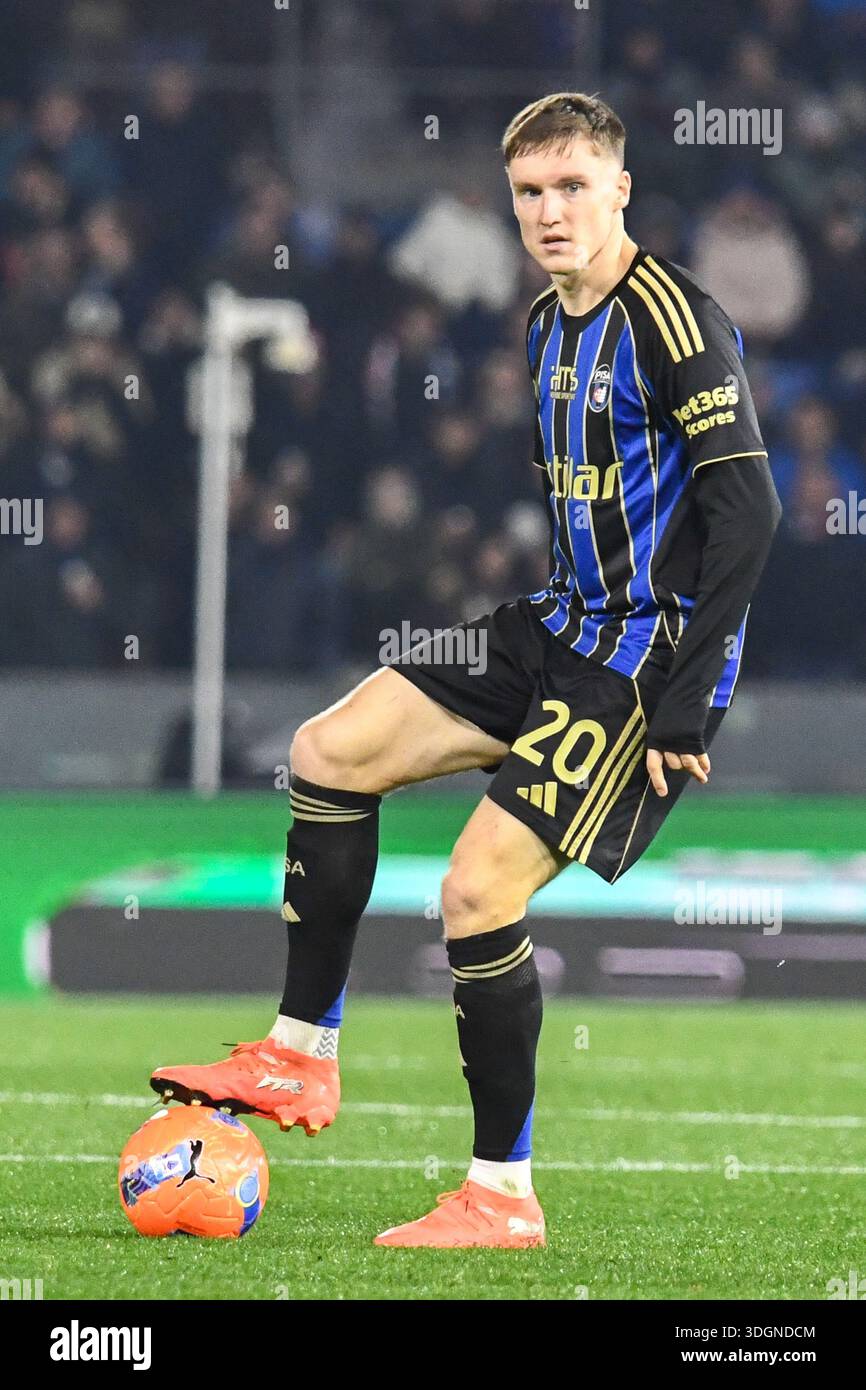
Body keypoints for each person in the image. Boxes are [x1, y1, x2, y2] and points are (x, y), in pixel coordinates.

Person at [149, 93, 781, 1249]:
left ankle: (501, 1195)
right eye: (530, 192)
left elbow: (748, 507)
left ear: (620, 188)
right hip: (557, 623)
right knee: (324, 751)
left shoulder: (673, 320)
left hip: (640, 661)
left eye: (573, 186)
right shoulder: (545, 320)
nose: (551, 212)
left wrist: (686, 694)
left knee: (476, 891)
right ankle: (298, 1058)